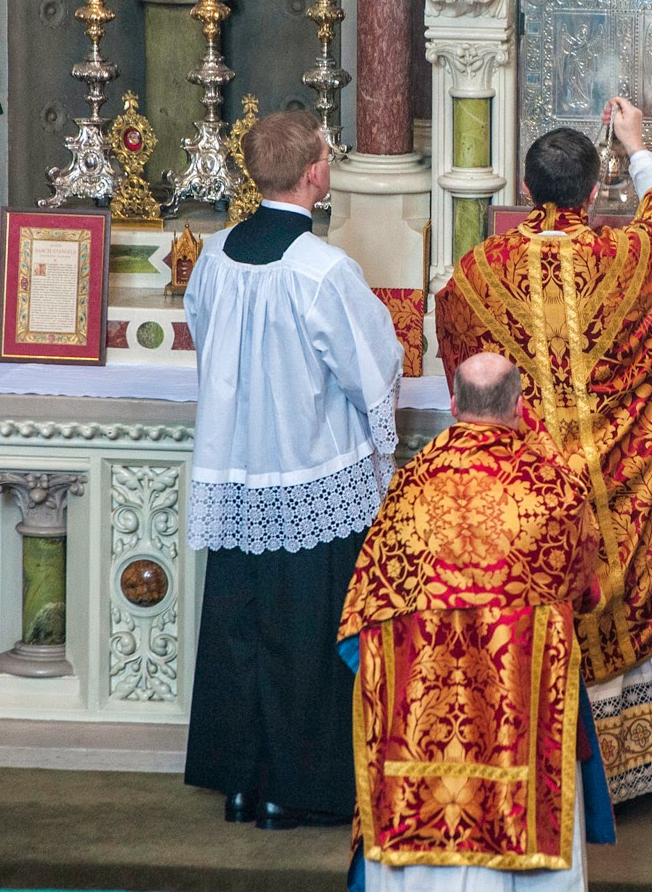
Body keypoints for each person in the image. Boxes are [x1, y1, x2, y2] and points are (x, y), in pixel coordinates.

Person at [435, 98, 652, 803]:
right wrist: (637, 145)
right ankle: (628, 768)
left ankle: (527, 762)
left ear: (525, 191)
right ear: (591, 193)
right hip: (616, 492)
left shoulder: (475, 274)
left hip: (521, 499)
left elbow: (463, 371)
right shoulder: (624, 256)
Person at [183, 109, 403, 830]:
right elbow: (369, 373)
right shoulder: (322, 270)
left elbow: (208, 342)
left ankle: (239, 782)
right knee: (303, 637)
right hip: (310, 470)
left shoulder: (213, 255)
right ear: (314, 173)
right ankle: (295, 790)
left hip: (235, 469)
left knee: (240, 627)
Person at [339, 352, 613, 890]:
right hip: (518, 713)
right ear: (517, 405)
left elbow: (364, 614)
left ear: (453, 404)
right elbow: (587, 587)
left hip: (420, 719)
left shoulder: (409, 489)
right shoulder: (553, 489)